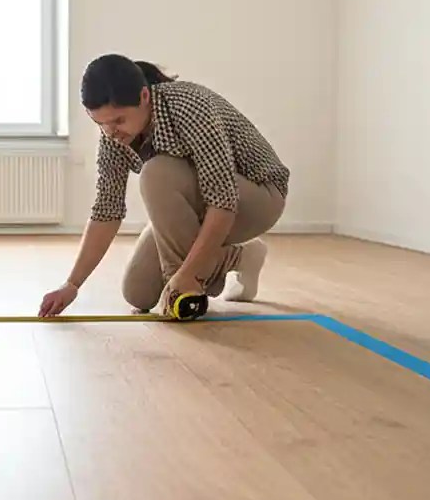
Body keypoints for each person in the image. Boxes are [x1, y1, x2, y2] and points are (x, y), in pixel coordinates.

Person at [38, 53, 290, 317]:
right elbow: (106, 212)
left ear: (145, 97)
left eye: (119, 121)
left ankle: (188, 289)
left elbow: (223, 200)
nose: (110, 132)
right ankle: (239, 258)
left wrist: (185, 277)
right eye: (100, 123)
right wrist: (71, 285)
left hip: (259, 197)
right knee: (138, 293)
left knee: (156, 172)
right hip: (206, 203)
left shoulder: (189, 107)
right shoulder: (112, 138)